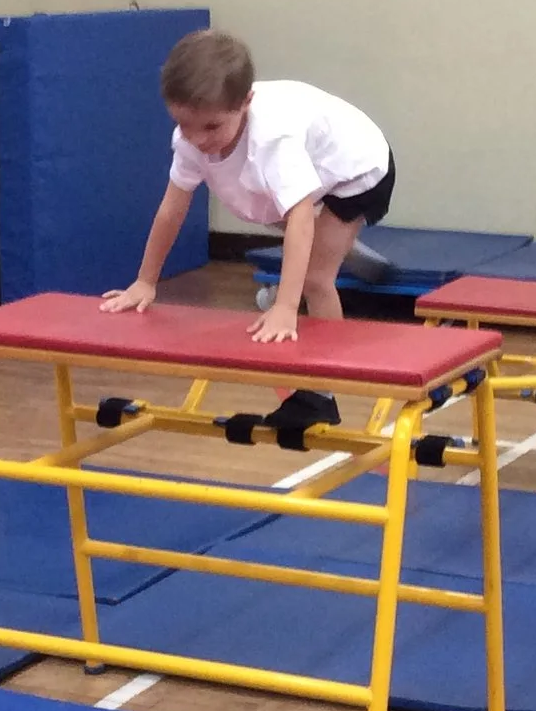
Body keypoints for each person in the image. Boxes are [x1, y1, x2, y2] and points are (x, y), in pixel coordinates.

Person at [103, 31, 393, 427]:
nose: (197, 139)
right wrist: (145, 281)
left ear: (246, 102)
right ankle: (334, 244)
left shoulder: (273, 138)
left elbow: (299, 217)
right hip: (308, 167)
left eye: (211, 127)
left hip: (357, 169)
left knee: (315, 278)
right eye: (183, 125)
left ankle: (321, 396)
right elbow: (171, 209)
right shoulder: (193, 139)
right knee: (256, 204)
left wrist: (286, 307)